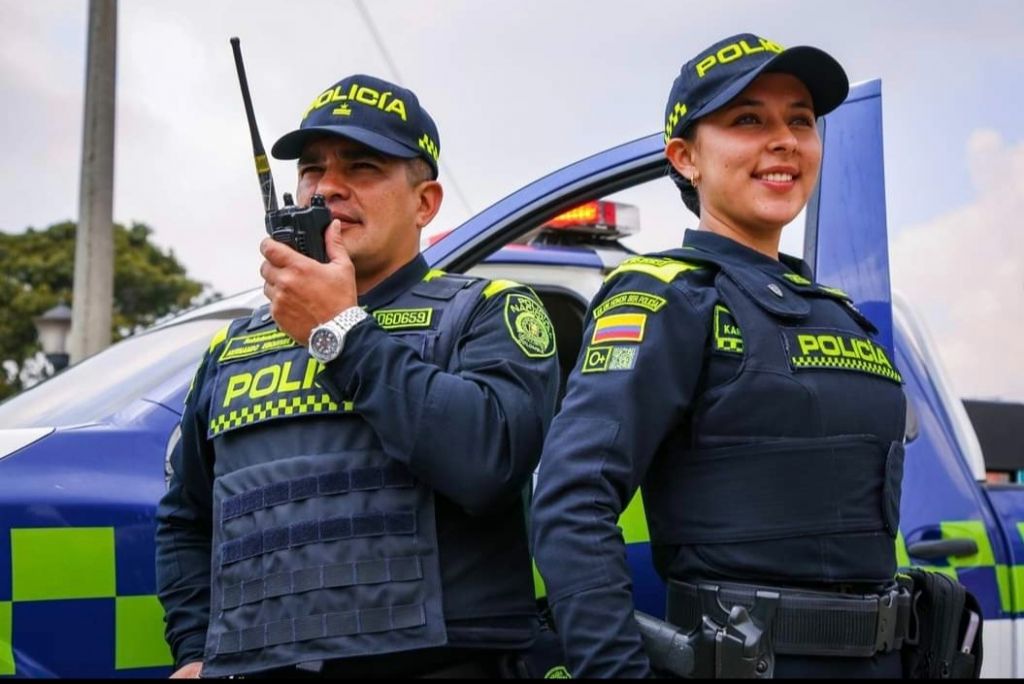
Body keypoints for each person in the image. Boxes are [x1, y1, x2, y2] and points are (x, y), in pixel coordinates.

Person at [156, 74, 561, 679]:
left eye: (363, 167)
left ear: (424, 203)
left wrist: (339, 332)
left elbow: (487, 463)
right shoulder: (235, 348)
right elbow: (186, 518)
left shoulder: (488, 312)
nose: (328, 188)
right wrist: (192, 650)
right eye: (312, 168)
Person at [531, 34, 909, 678]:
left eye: (800, 120)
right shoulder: (667, 297)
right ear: (685, 159)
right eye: (747, 120)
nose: (785, 139)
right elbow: (572, 503)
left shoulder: (836, 312)